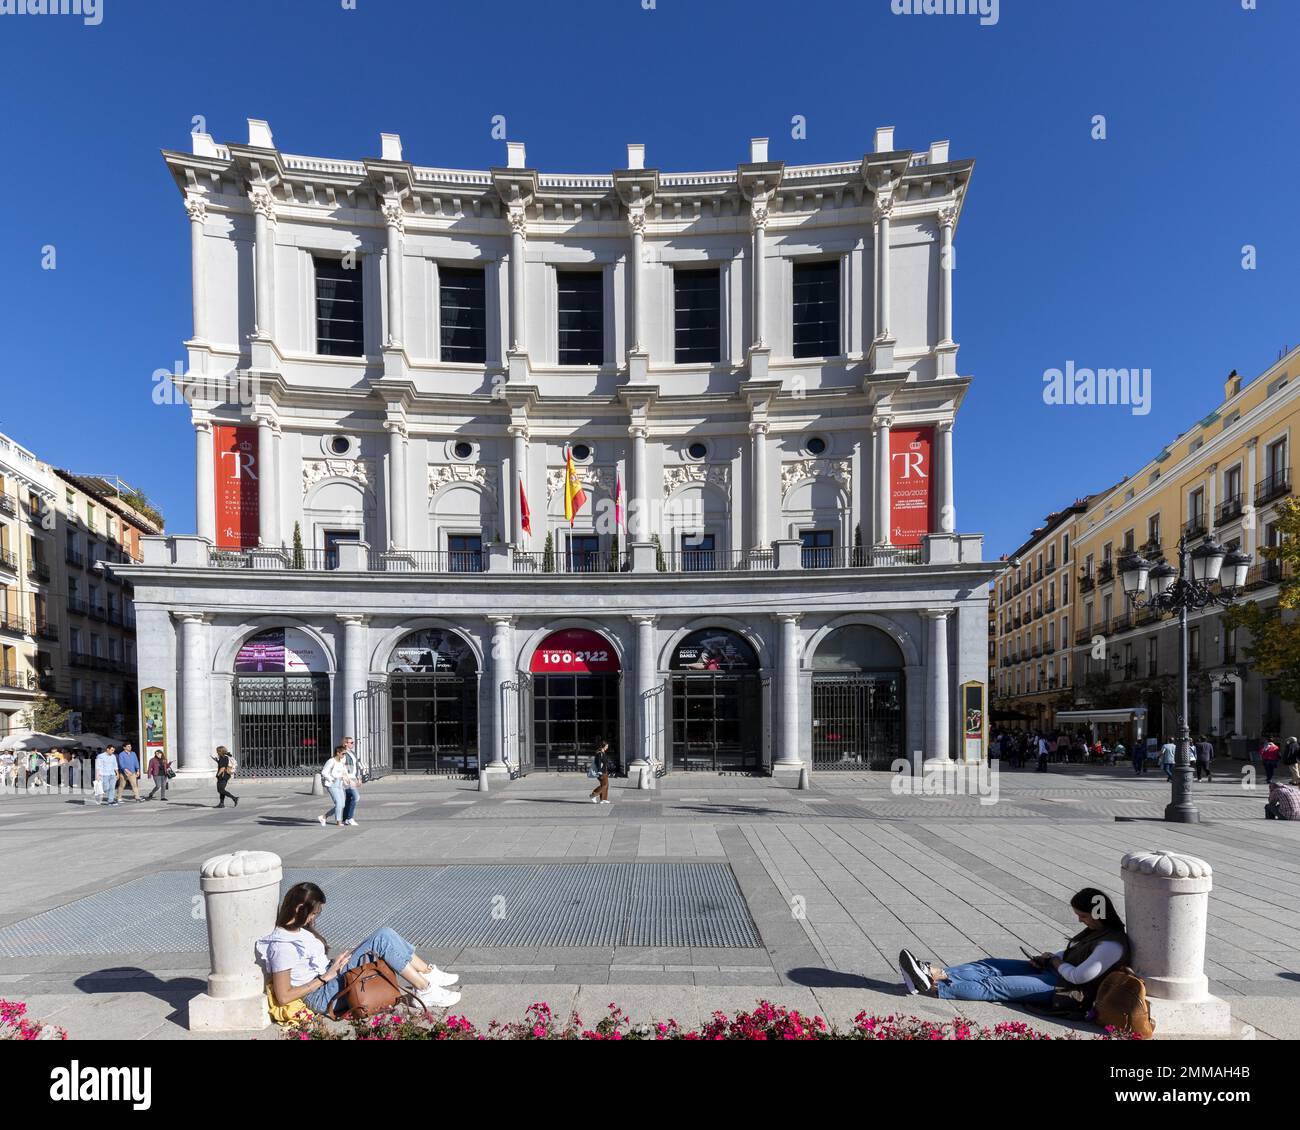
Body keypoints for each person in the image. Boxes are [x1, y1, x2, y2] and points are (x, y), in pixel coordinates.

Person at [898, 888, 1129, 1008]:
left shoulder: (1111, 945)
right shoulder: (1096, 931)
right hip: (1054, 973)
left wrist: (1056, 962)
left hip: (1063, 989)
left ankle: (933, 988)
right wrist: (1050, 957)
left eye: (1082, 915)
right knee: (990, 966)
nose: (1079, 920)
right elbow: (1074, 954)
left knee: (993, 986)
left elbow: (1079, 976)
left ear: (1098, 913)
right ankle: (932, 974)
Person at [256, 882, 460, 1014]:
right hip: (322, 996)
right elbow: (284, 996)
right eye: (314, 913)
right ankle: (425, 988)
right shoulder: (282, 947)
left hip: (329, 977)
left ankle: (427, 974)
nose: (314, 918)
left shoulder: (299, 931)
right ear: (300, 909)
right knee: (382, 938)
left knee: (384, 935)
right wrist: (325, 977)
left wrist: (338, 964)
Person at [318, 745, 351, 827]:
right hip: (332, 784)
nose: (344, 755)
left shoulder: (341, 761)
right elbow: (324, 772)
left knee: (342, 804)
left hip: (340, 784)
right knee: (339, 803)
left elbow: (344, 772)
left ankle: (324, 817)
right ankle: (338, 822)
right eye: (343, 754)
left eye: (345, 754)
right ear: (338, 753)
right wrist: (331, 779)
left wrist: (347, 779)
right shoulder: (331, 761)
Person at [588, 738, 611, 804]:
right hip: (601, 772)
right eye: (606, 746)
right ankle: (593, 795)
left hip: (605, 771)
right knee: (604, 785)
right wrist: (599, 771)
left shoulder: (603, 753)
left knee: (606, 785)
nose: (607, 747)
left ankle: (603, 799)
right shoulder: (599, 753)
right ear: (603, 746)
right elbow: (598, 763)